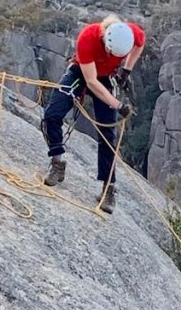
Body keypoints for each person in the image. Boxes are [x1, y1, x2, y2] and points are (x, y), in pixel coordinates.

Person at [40, 15, 145, 214]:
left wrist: (126, 70)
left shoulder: (132, 33)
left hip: (107, 76)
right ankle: (57, 162)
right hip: (82, 72)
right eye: (110, 51)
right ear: (105, 38)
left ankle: (108, 187)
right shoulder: (88, 37)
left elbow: (140, 44)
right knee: (52, 115)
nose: (111, 54)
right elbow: (91, 82)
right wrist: (118, 105)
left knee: (107, 137)